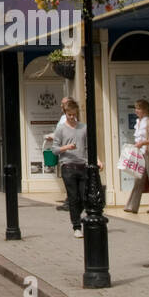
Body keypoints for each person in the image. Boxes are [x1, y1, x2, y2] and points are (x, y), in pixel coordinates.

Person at [50, 99, 90, 236]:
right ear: (65, 113)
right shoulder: (61, 129)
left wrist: (97, 160)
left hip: (82, 165)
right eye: (69, 115)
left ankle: (76, 216)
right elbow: (54, 149)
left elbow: (88, 148)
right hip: (67, 166)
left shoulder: (83, 127)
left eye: (74, 114)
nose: (72, 117)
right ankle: (77, 227)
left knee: (84, 197)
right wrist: (67, 147)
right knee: (73, 197)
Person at [124, 98, 149, 214]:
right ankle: (132, 206)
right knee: (138, 179)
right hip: (141, 154)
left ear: (144, 110)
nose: (136, 111)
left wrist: (142, 143)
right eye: (136, 108)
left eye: (138, 108)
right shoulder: (138, 122)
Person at [44, 97, 74, 211]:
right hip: (63, 150)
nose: (61, 106)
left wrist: (55, 137)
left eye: (64, 104)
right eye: (61, 104)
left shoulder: (69, 118)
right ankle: (69, 200)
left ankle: (70, 201)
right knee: (66, 177)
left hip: (68, 152)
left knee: (69, 177)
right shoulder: (63, 117)